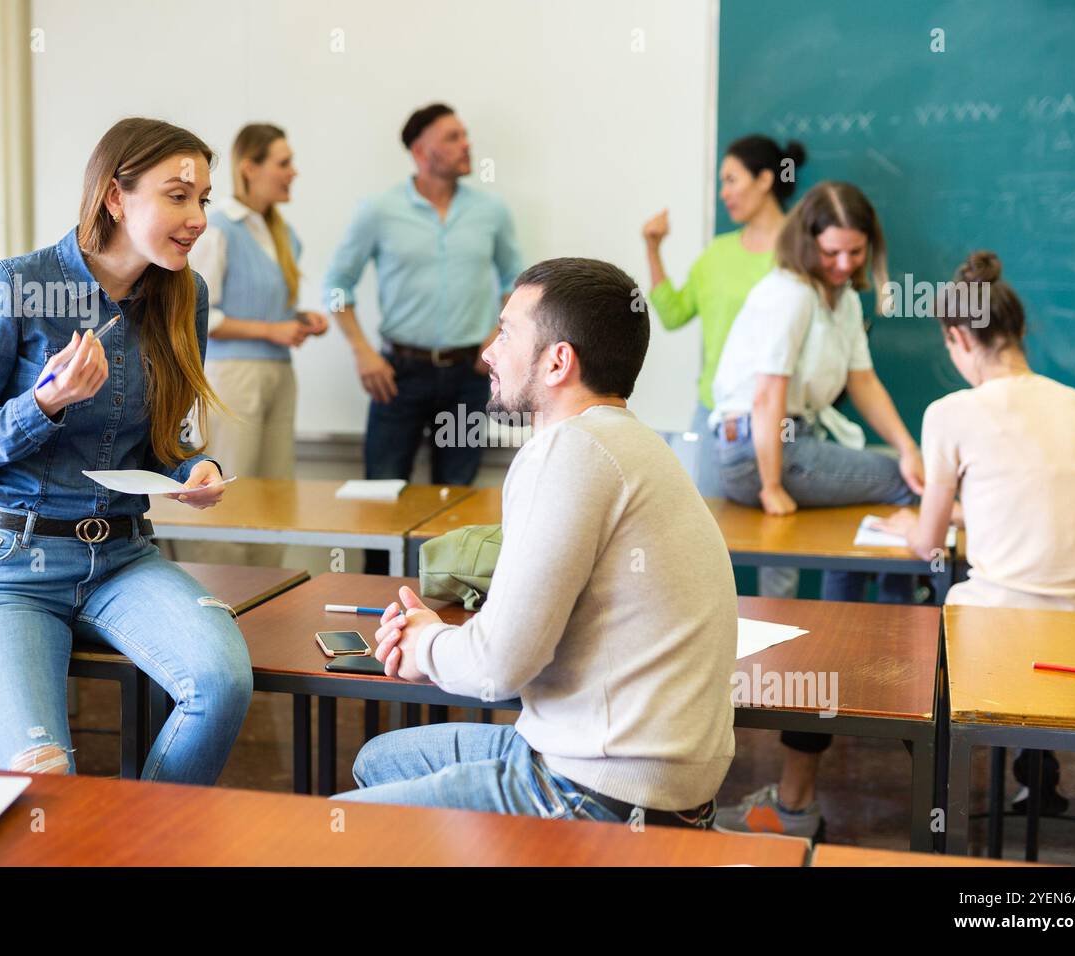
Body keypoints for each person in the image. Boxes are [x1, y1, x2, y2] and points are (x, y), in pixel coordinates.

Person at [331, 258, 737, 827]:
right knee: (380, 759)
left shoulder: (567, 452)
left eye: (505, 333)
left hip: (597, 791)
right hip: (645, 776)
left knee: (323, 834)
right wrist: (443, 640)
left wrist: (425, 645)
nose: (487, 353)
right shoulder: (632, 443)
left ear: (557, 361)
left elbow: (499, 667)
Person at [0, 118, 253, 783]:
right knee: (45, 776)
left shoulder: (185, 295)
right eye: (177, 196)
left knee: (222, 685)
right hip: (8, 566)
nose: (198, 219)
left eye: (202, 199)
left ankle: (149, 834)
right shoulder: (15, 284)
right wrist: (44, 404)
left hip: (122, 557)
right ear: (115, 197)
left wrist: (192, 468)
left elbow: (165, 440)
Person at [709, 181, 923, 838]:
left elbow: (863, 380)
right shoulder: (790, 293)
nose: (844, 264)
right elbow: (768, 395)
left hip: (796, 438)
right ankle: (894, 655)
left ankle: (852, 646)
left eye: (856, 253)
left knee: (892, 491)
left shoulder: (843, 298)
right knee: (903, 491)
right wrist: (772, 484)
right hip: (756, 447)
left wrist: (908, 447)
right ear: (808, 243)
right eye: (832, 253)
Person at [878, 249, 1075, 814]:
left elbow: (928, 544)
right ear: (1019, 331)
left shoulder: (950, 412)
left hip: (1006, 642)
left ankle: (939, 808)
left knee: (923, 632)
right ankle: (1038, 775)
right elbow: (1035, 497)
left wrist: (916, 523)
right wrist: (970, 513)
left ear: (959, 337)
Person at [322, 103, 523, 572]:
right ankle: (378, 598)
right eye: (452, 137)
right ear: (420, 150)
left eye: (465, 135)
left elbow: (517, 281)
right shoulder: (379, 211)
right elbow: (336, 285)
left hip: (468, 377)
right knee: (380, 497)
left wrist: (497, 336)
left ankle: (446, 597)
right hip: (397, 376)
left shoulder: (491, 211)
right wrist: (362, 352)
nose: (466, 145)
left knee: (457, 500)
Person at [644, 134, 805, 597]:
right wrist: (653, 249)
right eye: (722, 183)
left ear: (765, 180)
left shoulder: (800, 250)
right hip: (715, 416)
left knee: (779, 543)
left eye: (732, 180)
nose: (724, 193)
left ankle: (781, 631)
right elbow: (673, 314)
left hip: (781, 416)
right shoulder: (718, 253)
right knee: (707, 534)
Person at [179, 122, 329, 567]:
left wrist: (297, 320)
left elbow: (262, 309)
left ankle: (270, 588)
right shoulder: (219, 228)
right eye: (284, 163)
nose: (293, 172)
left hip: (279, 375)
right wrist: (270, 331)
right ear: (250, 167)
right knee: (228, 490)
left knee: (274, 492)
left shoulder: (283, 234)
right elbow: (198, 312)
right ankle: (221, 590)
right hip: (233, 377)